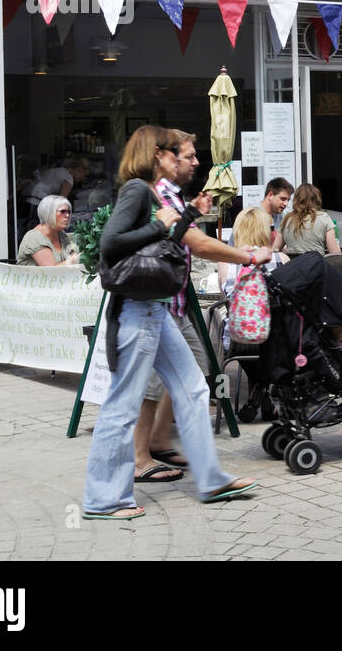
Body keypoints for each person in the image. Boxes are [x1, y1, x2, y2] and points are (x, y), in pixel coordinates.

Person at [83, 125, 265, 520]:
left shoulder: (152, 195)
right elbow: (110, 243)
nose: (181, 160)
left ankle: (211, 479)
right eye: (172, 153)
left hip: (157, 309)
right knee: (122, 405)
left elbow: (165, 240)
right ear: (156, 156)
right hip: (138, 308)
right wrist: (160, 225)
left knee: (194, 390)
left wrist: (186, 216)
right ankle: (103, 499)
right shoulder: (136, 190)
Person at [132, 131, 215, 482]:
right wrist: (245, 256)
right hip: (157, 304)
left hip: (175, 302)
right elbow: (195, 244)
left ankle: (160, 439)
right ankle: (139, 459)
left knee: (196, 369)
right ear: (163, 157)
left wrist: (192, 212)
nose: (195, 162)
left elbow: (179, 235)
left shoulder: (172, 195)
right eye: (189, 155)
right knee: (149, 385)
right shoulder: (153, 192)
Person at [16, 195, 79, 266]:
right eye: (63, 211)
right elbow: (50, 272)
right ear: (48, 213)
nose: (67, 215)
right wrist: (72, 261)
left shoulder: (61, 234)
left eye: (68, 212)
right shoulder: (34, 238)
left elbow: (73, 257)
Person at [281, 183, 341, 256]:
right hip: (315, 265)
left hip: (292, 265)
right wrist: (337, 245)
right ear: (316, 199)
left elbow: (275, 249)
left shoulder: (287, 219)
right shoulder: (324, 218)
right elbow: (334, 254)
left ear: (296, 199)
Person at [260, 178, 293, 252]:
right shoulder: (252, 215)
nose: (286, 204)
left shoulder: (279, 217)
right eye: (283, 199)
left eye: (288, 200)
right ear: (271, 195)